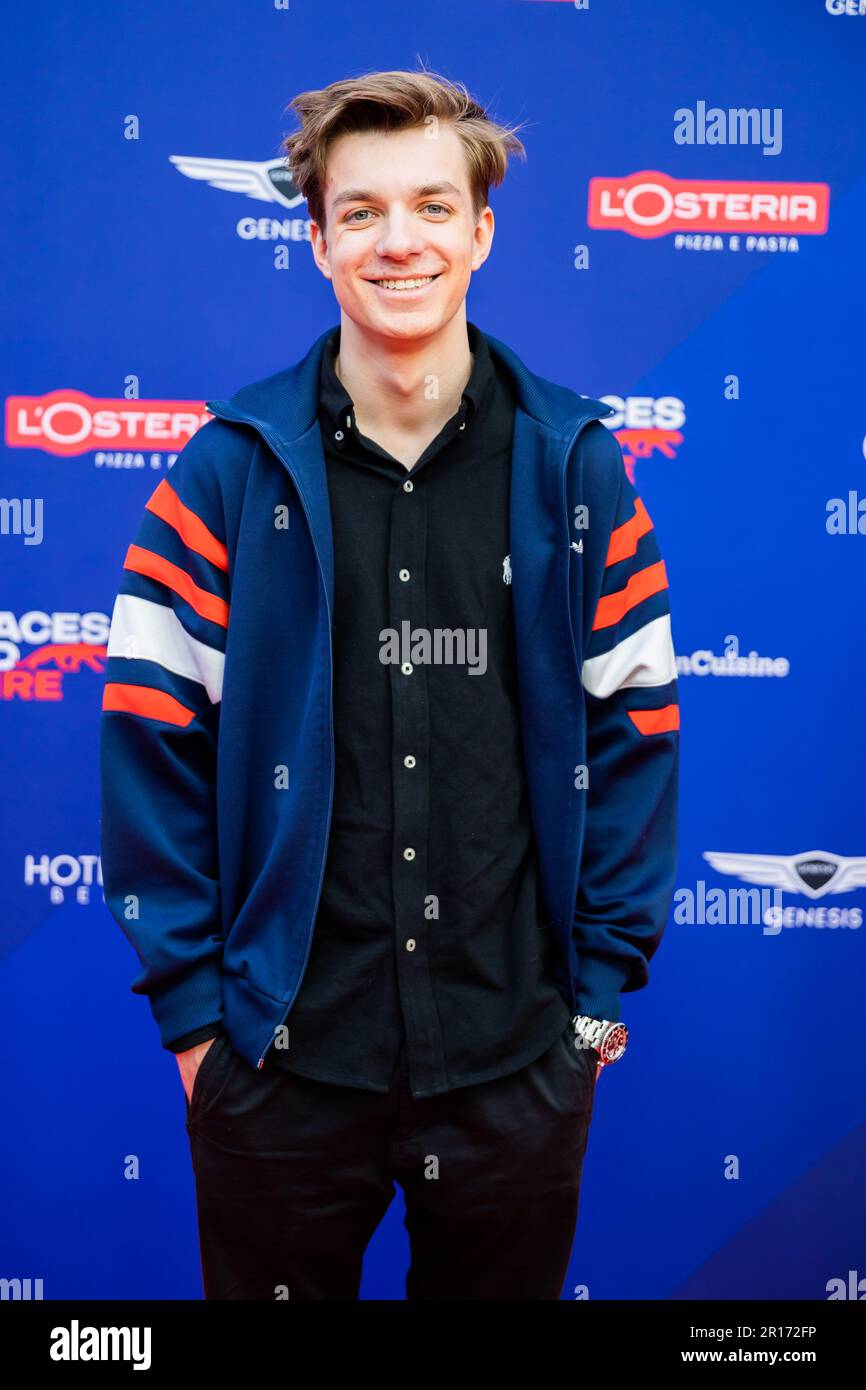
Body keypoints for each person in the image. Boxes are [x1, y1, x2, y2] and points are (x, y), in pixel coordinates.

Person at [99, 66, 679, 1301]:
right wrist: (200, 1025)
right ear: (315, 240)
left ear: (480, 230)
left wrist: (592, 1005)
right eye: (359, 212)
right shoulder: (222, 473)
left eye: (429, 206)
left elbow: (635, 733)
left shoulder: (576, 471)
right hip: (279, 1067)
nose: (396, 240)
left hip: (515, 1063)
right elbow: (148, 744)